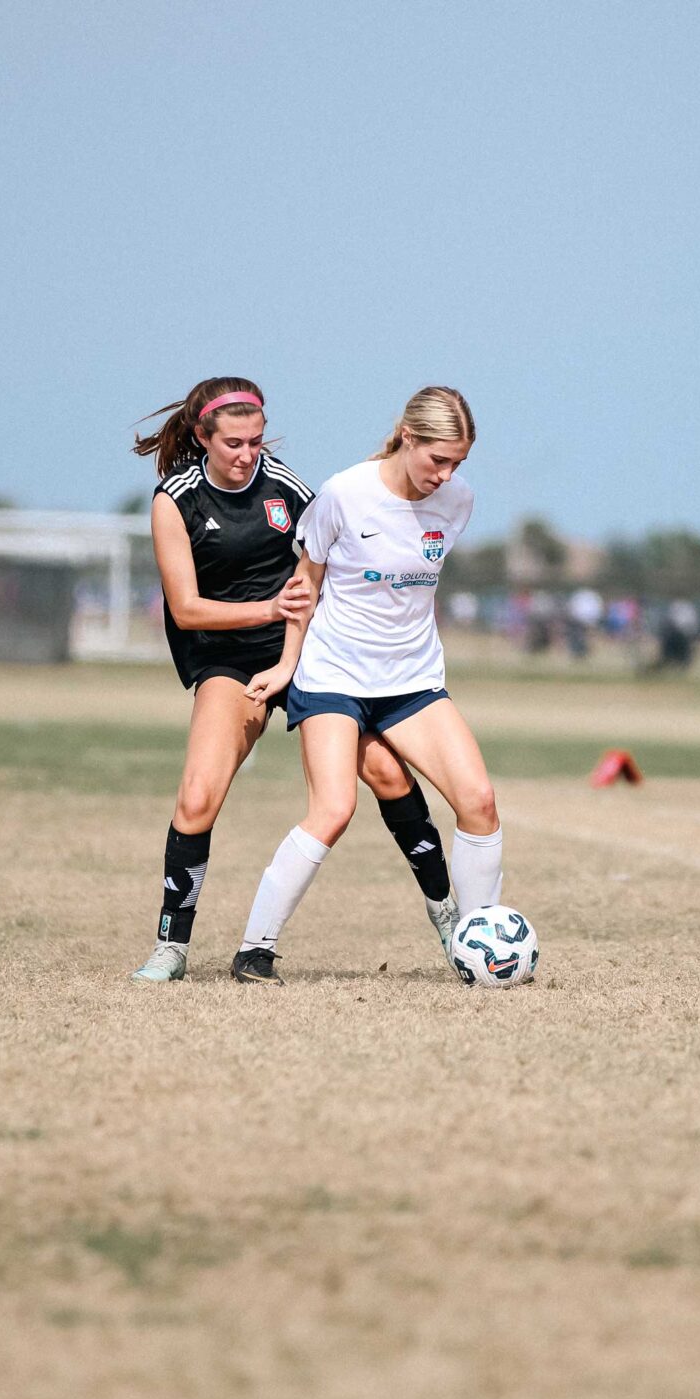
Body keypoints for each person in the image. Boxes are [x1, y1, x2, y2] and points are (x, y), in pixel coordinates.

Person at [129, 376, 459, 984]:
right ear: (202, 436)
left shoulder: (287, 488)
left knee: (387, 772)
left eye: (255, 441)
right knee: (199, 793)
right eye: (232, 443)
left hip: (308, 650)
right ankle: (171, 947)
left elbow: (334, 550)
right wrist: (270, 610)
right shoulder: (175, 501)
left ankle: (450, 921)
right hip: (228, 661)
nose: (247, 454)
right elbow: (187, 610)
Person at [231, 386, 501, 985]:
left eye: (458, 463)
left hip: (412, 681)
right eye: (438, 459)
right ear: (407, 437)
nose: (446, 474)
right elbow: (304, 590)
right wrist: (284, 666)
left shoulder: (458, 502)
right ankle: (254, 950)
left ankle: (480, 945)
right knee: (334, 808)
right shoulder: (343, 495)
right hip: (332, 677)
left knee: (478, 802)